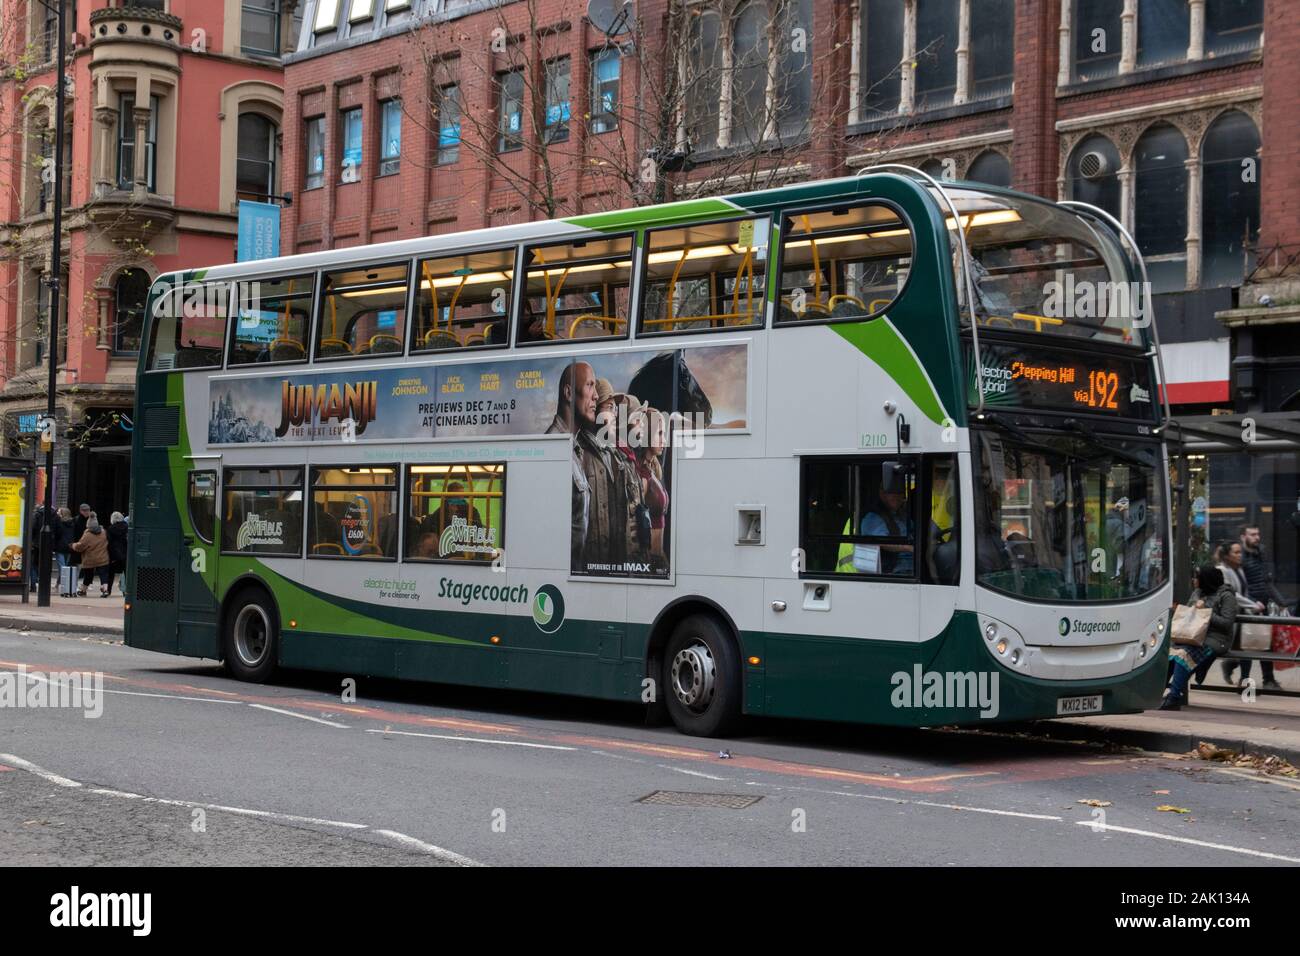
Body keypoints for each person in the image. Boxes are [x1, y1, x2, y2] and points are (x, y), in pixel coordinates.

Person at [1162, 564, 1237, 710]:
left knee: (1184, 654)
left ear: (1206, 579)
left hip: (1216, 639)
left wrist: (1206, 611)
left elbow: (1226, 623)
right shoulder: (1198, 592)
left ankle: (1174, 698)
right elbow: (1190, 612)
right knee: (1172, 654)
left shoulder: (1227, 596)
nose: (1194, 580)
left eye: (1197, 577)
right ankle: (1159, 692)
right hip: (1193, 635)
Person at [1239, 524, 1287, 690]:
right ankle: (1245, 681)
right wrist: (1250, 603)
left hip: (1262, 605)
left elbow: (1266, 581)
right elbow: (1239, 585)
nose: (1257, 537)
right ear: (1243, 537)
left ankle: (1268, 679)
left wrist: (1281, 602)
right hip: (1248, 606)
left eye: (1258, 534)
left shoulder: (1261, 553)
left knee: (1265, 643)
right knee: (1249, 644)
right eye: (1252, 534)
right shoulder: (1240, 556)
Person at [1218, 539, 1263, 686]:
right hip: (1230, 617)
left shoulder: (1239, 569)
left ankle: (1244, 680)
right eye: (1236, 552)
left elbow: (1244, 592)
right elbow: (1232, 594)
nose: (1240, 555)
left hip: (1243, 615)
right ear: (1226, 555)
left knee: (1246, 649)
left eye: (1240, 552)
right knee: (1218, 651)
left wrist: (1252, 607)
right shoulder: (1222, 570)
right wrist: (1253, 605)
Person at [855, 465, 914, 575]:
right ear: (882, 493)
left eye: (900, 493)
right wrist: (908, 547)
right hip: (894, 572)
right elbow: (881, 541)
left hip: (914, 568)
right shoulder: (873, 517)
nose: (898, 496)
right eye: (893, 492)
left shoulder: (903, 516)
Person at [71, 517, 111, 597]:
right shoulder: (103, 532)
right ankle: (105, 590)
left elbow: (81, 546)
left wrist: (73, 545)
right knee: (104, 575)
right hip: (103, 558)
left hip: (90, 559)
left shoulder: (87, 534)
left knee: (88, 575)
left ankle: (83, 590)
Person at [108, 511, 129, 594]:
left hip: (114, 554)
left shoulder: (110, 529)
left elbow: (109, 543)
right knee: (127, 573)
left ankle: (108, 590)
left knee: (111, 573)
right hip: (126, 553)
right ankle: (127, 591)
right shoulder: (127, 527)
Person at [27, 504, 46, 591]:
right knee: (42, 564)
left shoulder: (36, 515)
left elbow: (32, 529)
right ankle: (43, 585)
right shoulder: (53, 515)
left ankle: (33, 585)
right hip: (46, 544)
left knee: (33, 565)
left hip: (35, 544)